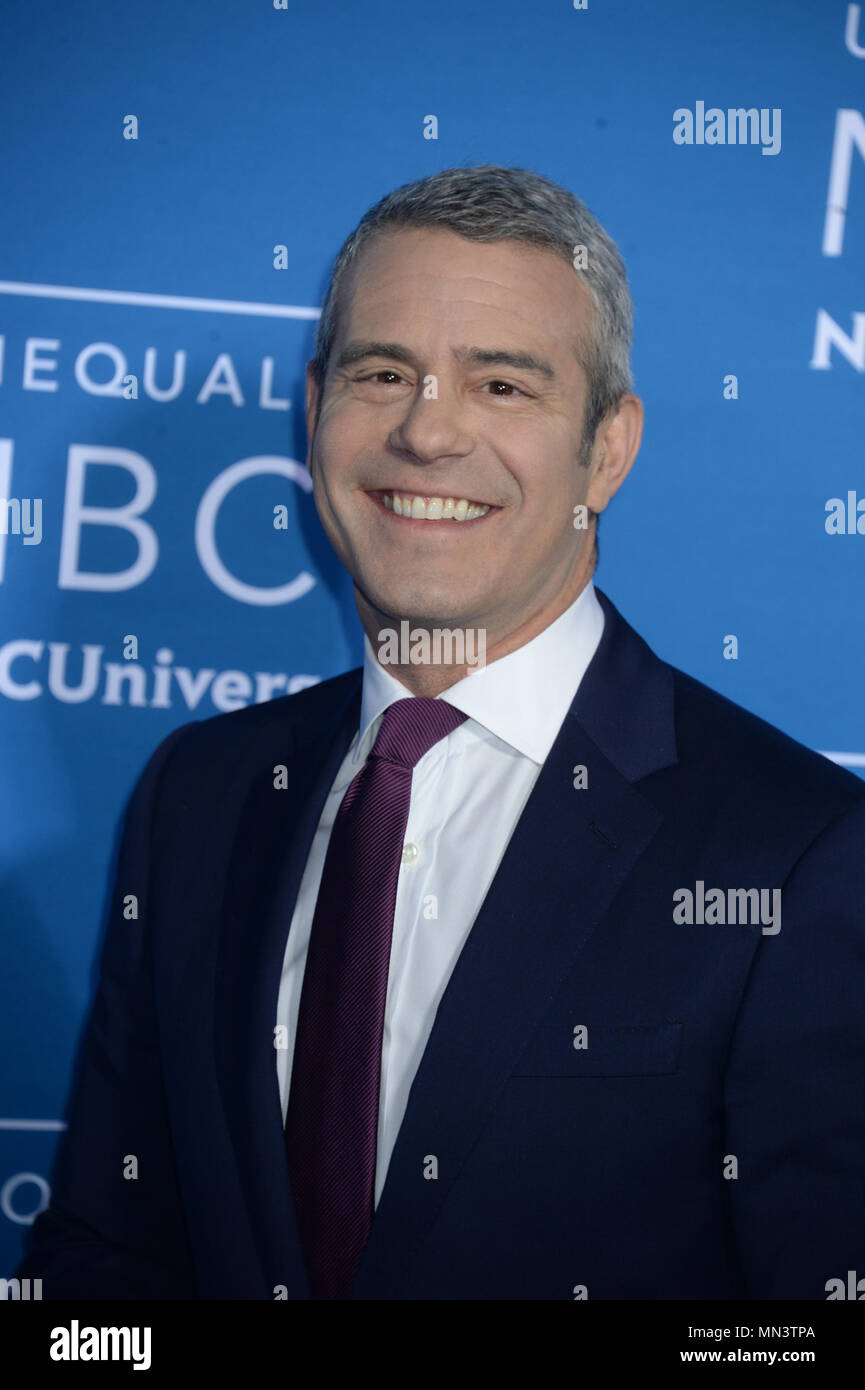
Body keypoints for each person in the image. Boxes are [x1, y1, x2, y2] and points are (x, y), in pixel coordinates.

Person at [17, 165, 865, 1300]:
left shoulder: (802, 852)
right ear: (314, 413)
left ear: (605, 451)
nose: (426, 431)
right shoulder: (200, 795)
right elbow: (105, 1266)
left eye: (502, 385)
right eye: (382, 373)